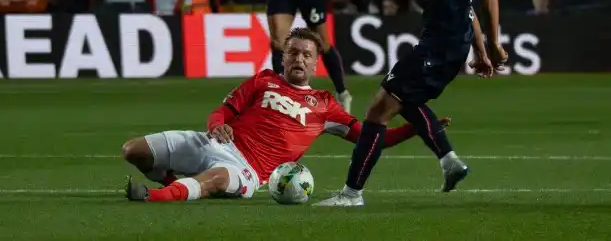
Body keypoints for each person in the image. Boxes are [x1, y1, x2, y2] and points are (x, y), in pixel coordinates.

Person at [316, 0, 508, 207]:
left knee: (378, 110)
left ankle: (352, 194)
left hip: (439, 47)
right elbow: (466, 6)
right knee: (404, 99)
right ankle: (449, 161)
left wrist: (494, 43)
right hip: (441, 46)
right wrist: (481, 52)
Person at [123, 28, 436, 202]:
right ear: (283, 57)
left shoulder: (325, 105)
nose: (298, 58)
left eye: (306, 54)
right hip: (211, 142)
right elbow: (222, 111)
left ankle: (154, 196)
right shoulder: (264, 80)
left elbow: (373, 140)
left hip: (245, 169)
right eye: (293, 52)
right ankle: (171, 183)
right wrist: (217, 125)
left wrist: (418, 128)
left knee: (213, 181)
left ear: (315, 64)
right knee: (133, 151)